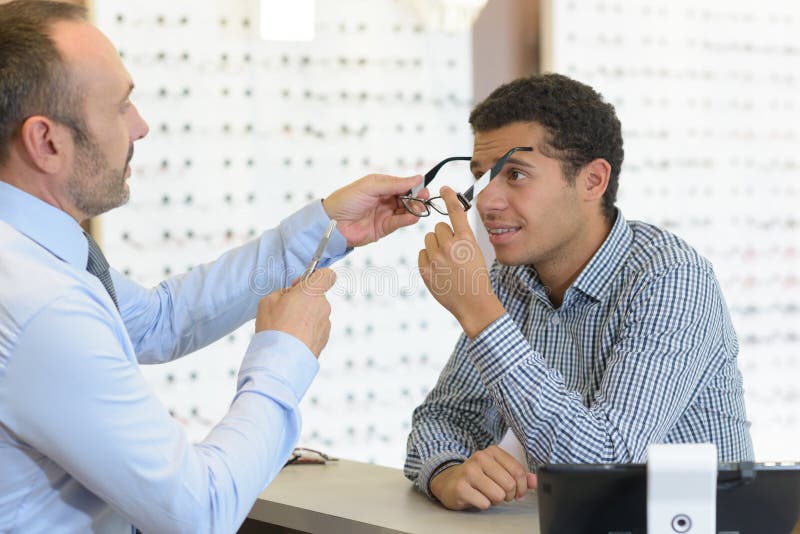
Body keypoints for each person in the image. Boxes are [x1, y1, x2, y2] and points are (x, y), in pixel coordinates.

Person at [0, 2, 425, 532]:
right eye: (120, 107)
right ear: (46, 142)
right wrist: (284, 354)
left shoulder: (34, 256)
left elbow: (157, 320)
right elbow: (198, 511)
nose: (141, 127)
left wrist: (326, 228)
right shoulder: (42, 303)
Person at [404, 73, 754, 511]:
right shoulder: (513, 279)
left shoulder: (672, 278)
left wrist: (481, 314)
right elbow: (445, 419)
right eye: (481, 177)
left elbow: (606, 467)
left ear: (593, 181)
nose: (488, 201)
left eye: (515, 174)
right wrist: (447, 471)